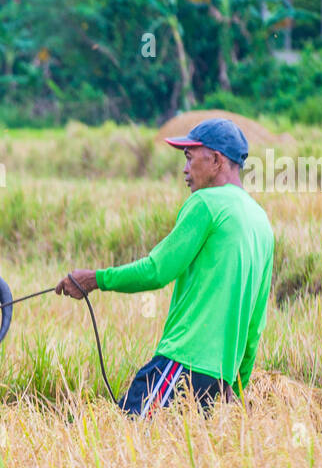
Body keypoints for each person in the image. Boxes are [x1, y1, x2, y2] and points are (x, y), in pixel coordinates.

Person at [55, 117, 274, 416]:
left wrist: (95, 279)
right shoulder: (260, 221)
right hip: (220, 377)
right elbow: (255, 320)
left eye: (189, 158)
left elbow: (157, 270)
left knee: (121, 440)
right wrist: (236, 384)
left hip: (184, 362)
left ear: (216, 160)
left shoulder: (206, 204)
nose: (184, 169)